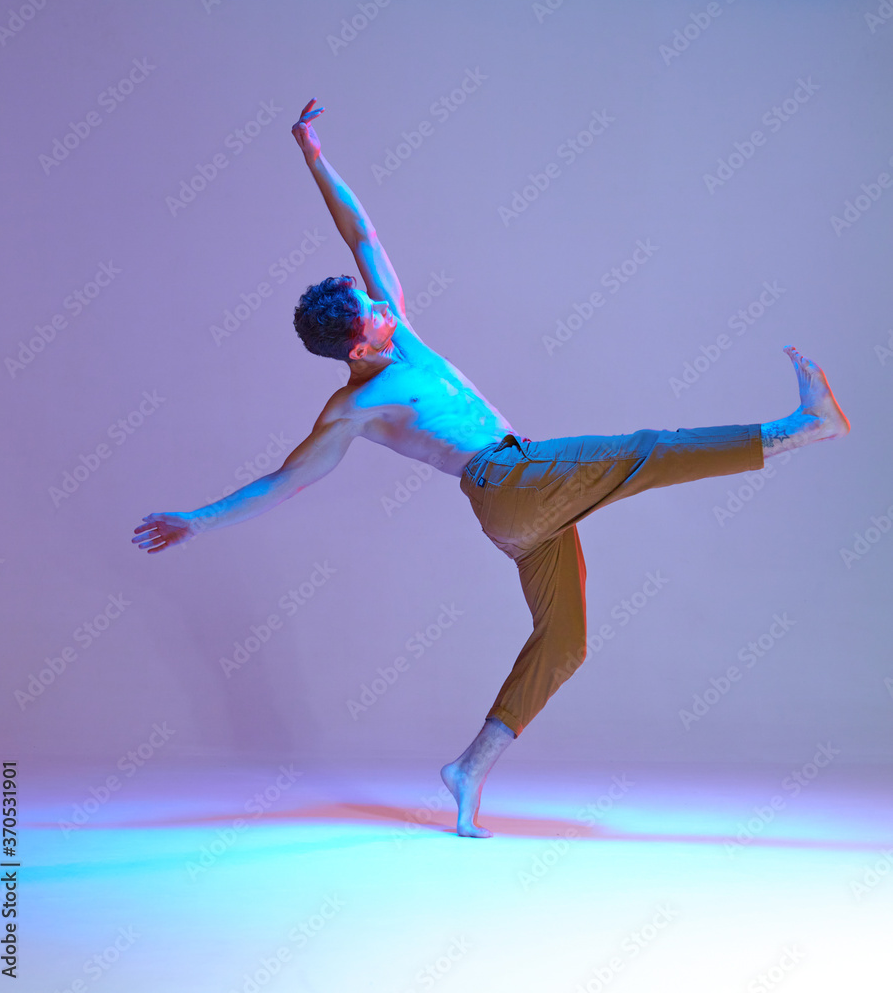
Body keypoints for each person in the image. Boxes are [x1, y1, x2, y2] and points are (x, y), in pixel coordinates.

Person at [133, 99, 850, 838]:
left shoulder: (399, 333)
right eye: (370, 308)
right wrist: (198, 519)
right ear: (356, 348)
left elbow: (361, 232)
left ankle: (469, 768)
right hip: (508, 486)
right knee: (645, 450)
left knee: (564, 642)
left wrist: (313, 155)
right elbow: (286, 480)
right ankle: (799, 431)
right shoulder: (356, 405)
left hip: (522, 503)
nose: (383, 300)